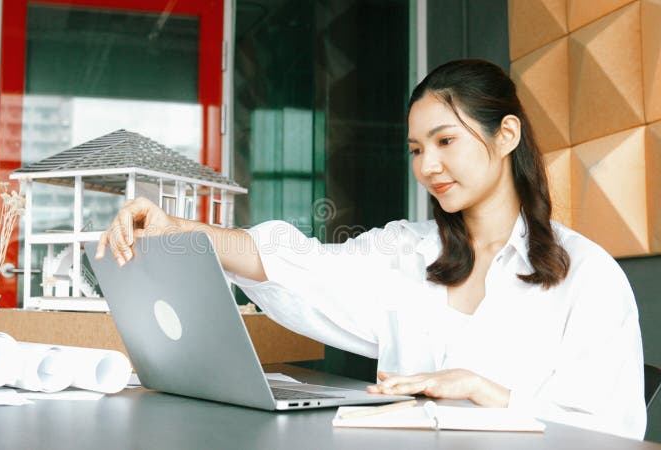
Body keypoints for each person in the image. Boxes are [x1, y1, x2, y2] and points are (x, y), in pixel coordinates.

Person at [96, 59, 646, 440]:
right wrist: (183, 230)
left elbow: (612, 432)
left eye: (445, 141)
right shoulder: (406, 252)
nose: (427, 166)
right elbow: (300, 265)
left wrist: (485, 391)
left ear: (506, 135)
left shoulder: (587, 275)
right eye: (415, 148)